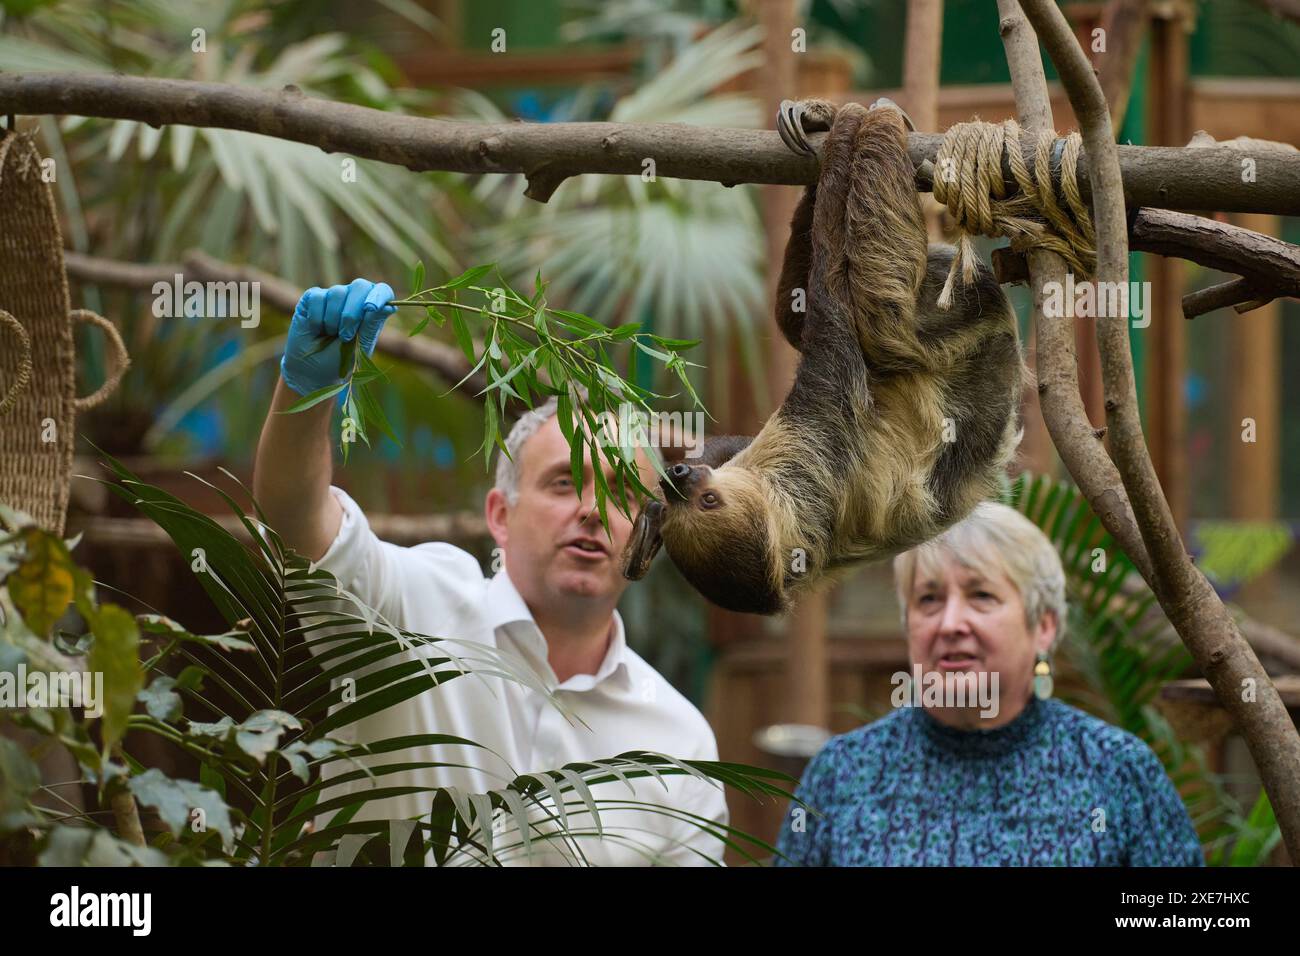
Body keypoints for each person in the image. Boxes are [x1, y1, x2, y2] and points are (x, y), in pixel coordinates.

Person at [253, 278, 727, 866]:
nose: (591, 509)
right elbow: (296, 514)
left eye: (620, 492)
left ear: (651, 536)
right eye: (561, 482)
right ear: (500, 516)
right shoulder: (411, 610)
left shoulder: (680, 743)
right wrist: (309, 389)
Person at [774, 501, 1204, 866]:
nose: (950, 623)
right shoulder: (843, 774)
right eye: (929, 599)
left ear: (1044, 626)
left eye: (981, 596)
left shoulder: (1117, 770)